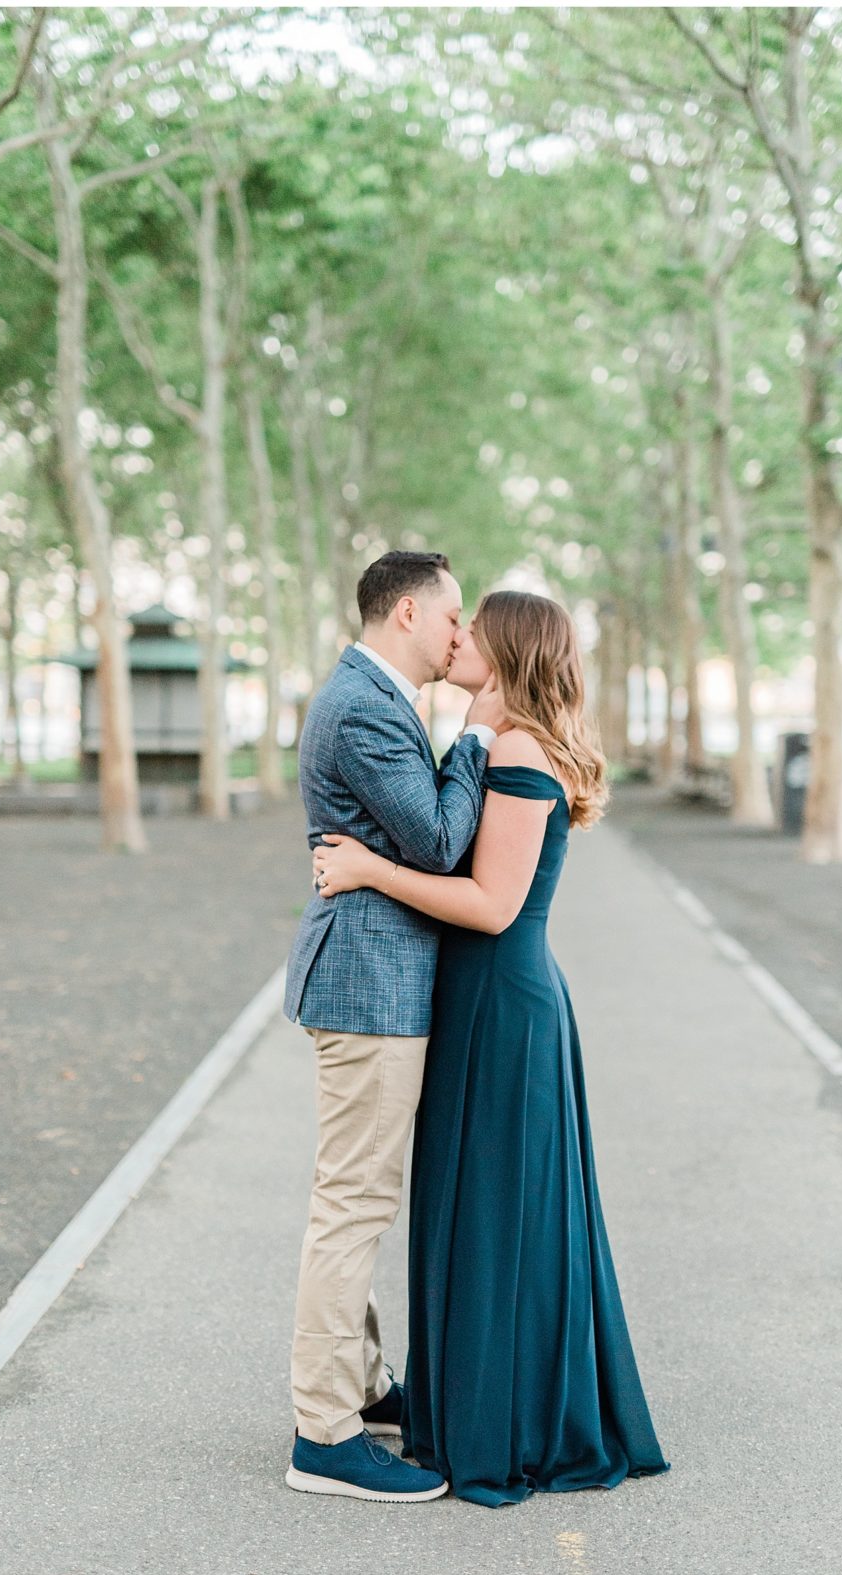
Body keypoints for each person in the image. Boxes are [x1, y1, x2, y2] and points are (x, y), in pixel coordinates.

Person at [312, 589, 672, 1507]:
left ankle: (502, 1420)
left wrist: (364, 868)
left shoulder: (515, 746)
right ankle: (474, 1399)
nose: (456, 636)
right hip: (482, 999)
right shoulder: (503, 739)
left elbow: (491, 903)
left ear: (507, 651)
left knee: (498, 1208)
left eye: (471, 627)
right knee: (482, 1204)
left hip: (502, 1006)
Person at [282, 550, 508, 1503]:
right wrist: (477, 734)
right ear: (408, 612)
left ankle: (364, 1387)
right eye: (453, 618)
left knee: (357, 1198)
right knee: (352, 1206)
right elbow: (438, 841)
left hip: (377, 982)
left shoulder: (372, 697)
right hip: (369, 989)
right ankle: (322, 1433)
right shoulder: (367, 707)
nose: (463, 637)